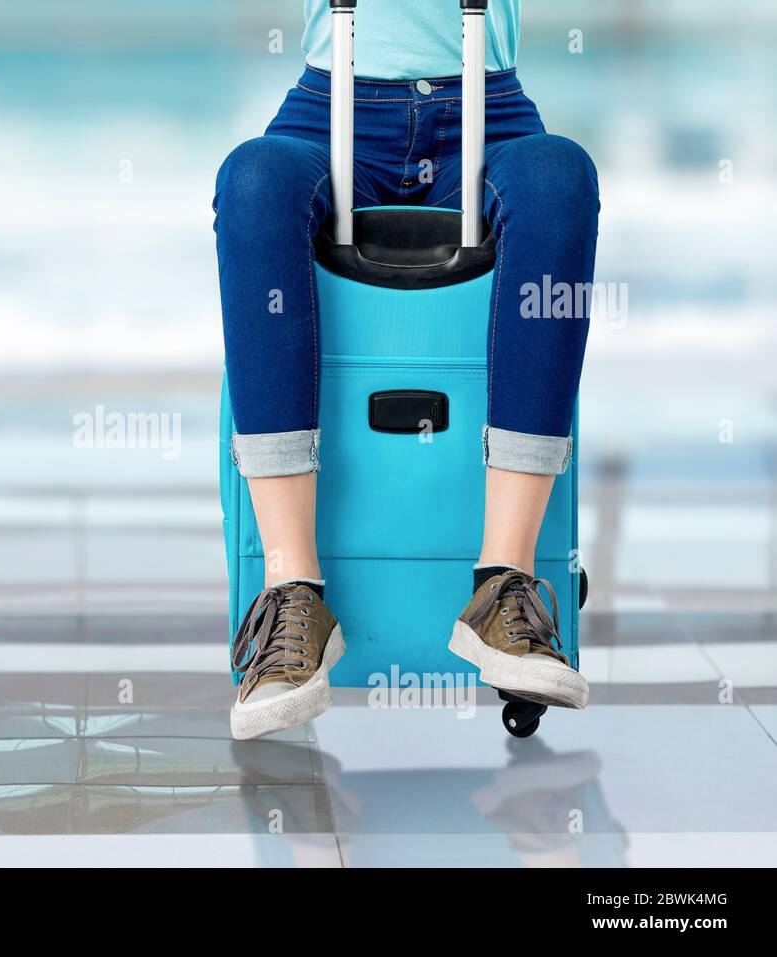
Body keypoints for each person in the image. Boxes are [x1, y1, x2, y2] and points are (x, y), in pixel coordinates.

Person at [216, 0, 599, 739]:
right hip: (334, 99)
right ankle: (291, 593)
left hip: (487, 98)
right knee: (255, 183)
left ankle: (504, 586)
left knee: (558, 181)